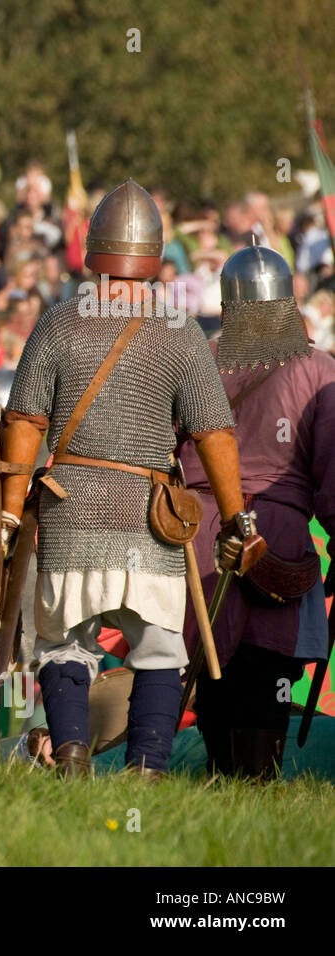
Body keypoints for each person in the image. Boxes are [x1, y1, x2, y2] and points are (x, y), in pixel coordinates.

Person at [0, 179, 257, 777]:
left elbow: (24, 423)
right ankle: (147, 768)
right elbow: (214, 433)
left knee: (65, 644)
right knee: (161, 648)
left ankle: (69, 753)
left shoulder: (60, 322)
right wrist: (237, 515)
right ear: (155, 257)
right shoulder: (179, 331)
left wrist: (11, 513)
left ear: (94, 251)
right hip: (148, 514)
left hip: (71, 507)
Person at [177, 246, 335, 780]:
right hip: (279, 535)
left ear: (228, 303)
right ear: (287, 301)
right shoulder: (318, 370)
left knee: (211, 664)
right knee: (268, 667)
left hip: (201, 534)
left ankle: (223, 778)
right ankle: (256, 783)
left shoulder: (199, 361)